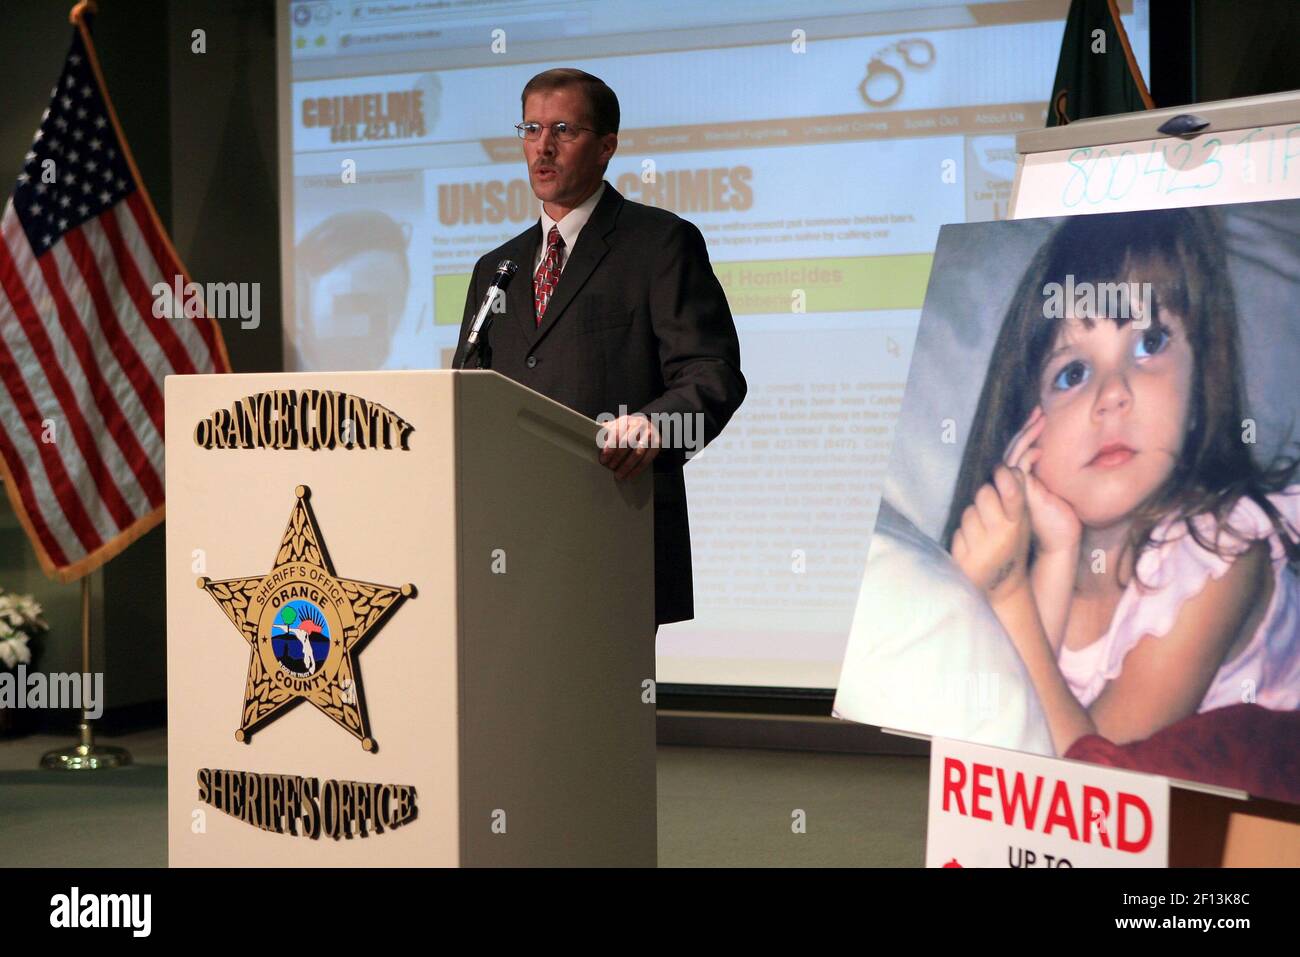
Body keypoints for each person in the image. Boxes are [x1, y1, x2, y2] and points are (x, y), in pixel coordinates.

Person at [942, 207, 1300, 756]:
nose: (1113, 393)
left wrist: (1010, 595)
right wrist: (1055, 557)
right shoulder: (1040, 556)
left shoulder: (1223, 555)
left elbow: (1095, 784)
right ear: (1026, 430)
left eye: (1149, 343)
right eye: (1073, 373)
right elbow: (1017, 735)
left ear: (1201, 384)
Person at [451, 68, 746, 627]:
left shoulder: (659, 243)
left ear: (607, 146)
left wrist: (657, 426)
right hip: (508, 543)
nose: (543, 145)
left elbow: (713, 374)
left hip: (613, 524)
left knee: (600, 709)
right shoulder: (498, 268)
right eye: (531, 128)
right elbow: (471, 392)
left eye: (563, 129)